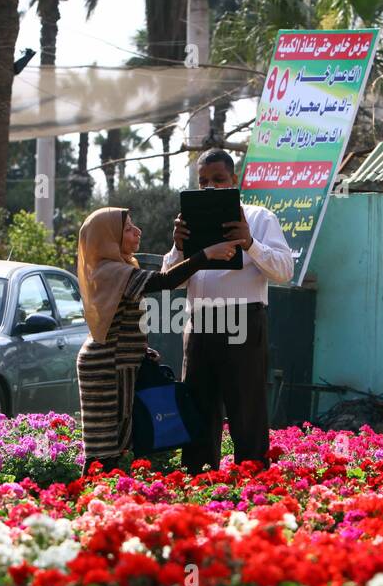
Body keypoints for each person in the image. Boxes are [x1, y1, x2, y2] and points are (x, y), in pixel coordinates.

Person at [77, 206, 244, 473]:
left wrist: (140, 349)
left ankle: (96, 501)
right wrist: (206, 255)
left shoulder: (114, 268)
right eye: (129, 228)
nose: (137, 231)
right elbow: (166, 281)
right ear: (109, 238)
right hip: (109, 365)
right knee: (105, 446)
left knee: (116, 440)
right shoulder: (112, 271)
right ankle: (86, 502)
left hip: (115, 360)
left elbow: (117, 321)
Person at [162, 148, 295, 472]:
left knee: (246, 411)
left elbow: (284, 271)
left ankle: (254, 489)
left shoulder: (260, 218)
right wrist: (179, 247)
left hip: (243, 321)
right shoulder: (189, 225)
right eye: (203, 181)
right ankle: (197, 484)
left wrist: (250, 243)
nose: (210, 188)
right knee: (197, 410)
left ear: (234, 180)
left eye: (219, 180)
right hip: (199, 322)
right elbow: (171, 281)